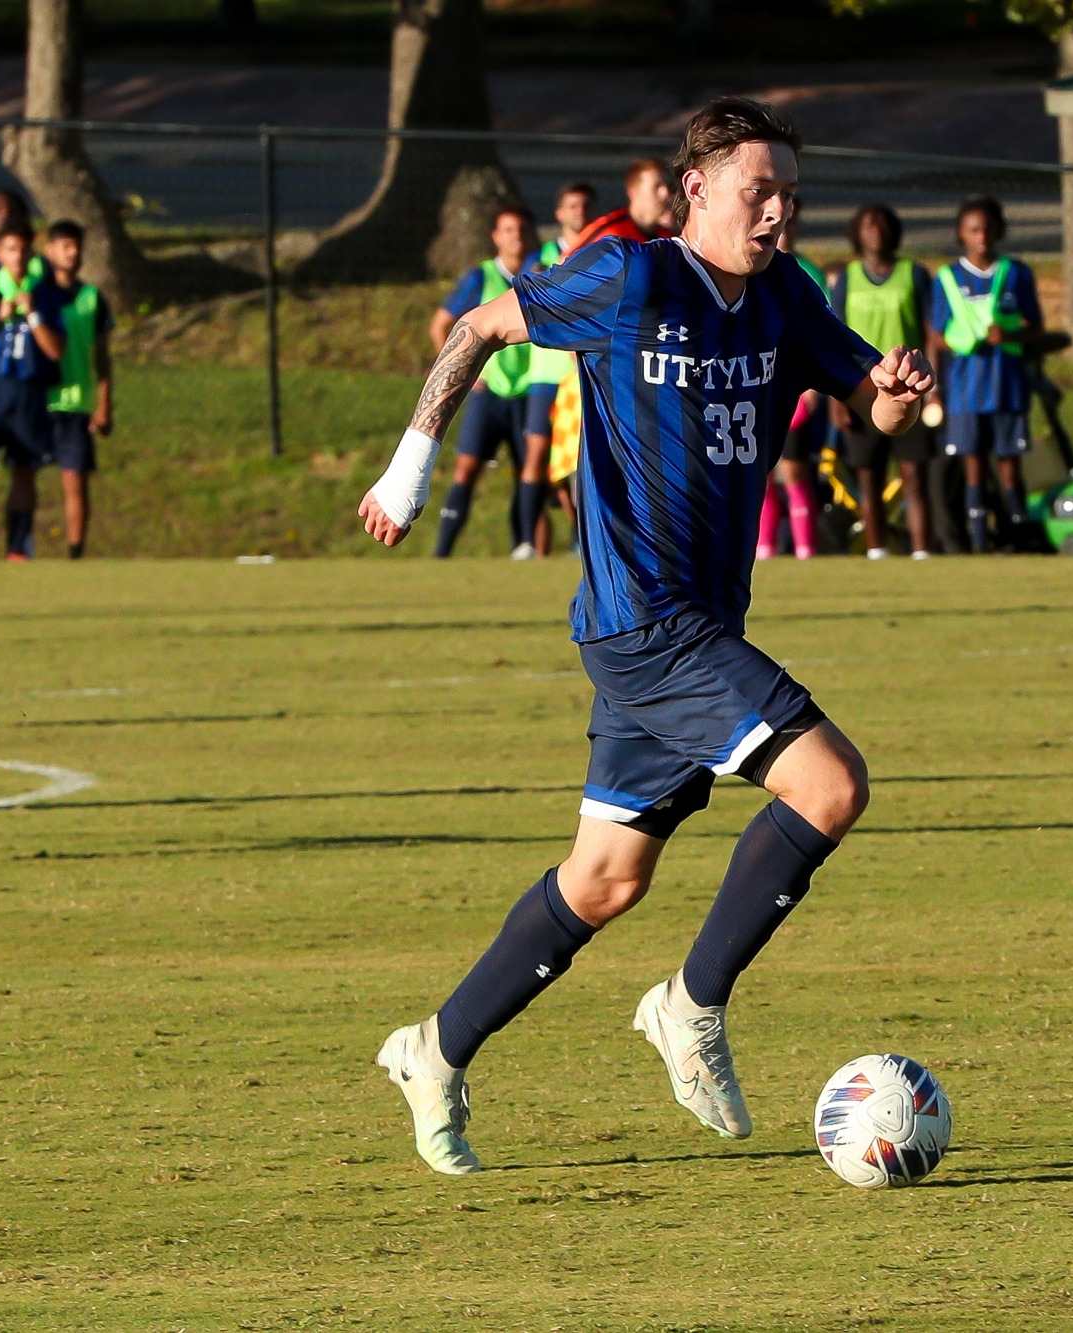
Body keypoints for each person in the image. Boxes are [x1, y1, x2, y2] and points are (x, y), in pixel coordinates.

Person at [356, 96, 933, 1175]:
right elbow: (478, 328)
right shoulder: (632, 280)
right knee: (829, 785)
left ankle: (433, 1048)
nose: (778, 212)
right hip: (644, 625)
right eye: (760, 191)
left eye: (789, 195)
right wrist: (409, 465)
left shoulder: (784, 299)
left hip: (698, 626)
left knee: (605, 878)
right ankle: (690, 1004)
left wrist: (897, 395)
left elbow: (873, 407)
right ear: (697, 189)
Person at [930, 195, 1043, 553]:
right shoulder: (948, 278)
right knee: (973, 465)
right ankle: (978, 540)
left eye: (989, 229)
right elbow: (936, 334)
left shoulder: (1016, 273)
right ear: (962, 234)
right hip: (966, 389)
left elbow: (1035, 327)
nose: (983, 236)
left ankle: (1017, 536)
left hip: (1007, 386)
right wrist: (936, 387)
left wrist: (1009, 335)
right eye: (974, 229)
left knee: (1010, 465)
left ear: (1000, 231)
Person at [427, 207, 541, 559]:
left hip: (528, 390)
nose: (516, 236)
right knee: (467, 467)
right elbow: (440, 325)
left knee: (530, 472)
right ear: (495, 236)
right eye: (508, 230)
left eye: (521, 229)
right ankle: (442, 552)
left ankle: (523, 548)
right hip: (489, 392)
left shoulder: (542, 273)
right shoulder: (481, 278)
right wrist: (462, 369)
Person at [831, 203, 935, 559]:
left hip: (908, 388)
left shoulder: (914, 274)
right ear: (856, 233)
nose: (875, 230)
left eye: (881, 224)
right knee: (868, 476)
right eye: (867, 224)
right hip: (861, 389)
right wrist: (836, 397)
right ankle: (877, 550)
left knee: (914, 476)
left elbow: (930, 333)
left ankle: (922, 551)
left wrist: (932, 389)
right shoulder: (848, 278)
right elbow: (834, 337)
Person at [0, 221, 66, 562]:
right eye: (10, 250)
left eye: (23, 250)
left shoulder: (45, 293)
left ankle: (18, 546)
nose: (17, 257)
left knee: (24, 471)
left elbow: (55, 350)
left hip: (28, 390)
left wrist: (32, 313)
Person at [515, 184, 596, 557]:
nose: (579, 212)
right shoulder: (542, 258)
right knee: (536, 455)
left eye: (585, 205)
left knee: (584, 457)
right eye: (572, 206)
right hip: (546, 373)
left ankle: (582, 540)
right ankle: (528, 541)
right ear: (559, 213)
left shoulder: (601, 252)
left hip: (581, 377)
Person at [758, 195, 829, 561]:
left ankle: (805, 550)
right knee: (760, 476)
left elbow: (823, 333)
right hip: (756, 388)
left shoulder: (808, 272)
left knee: (795, 473)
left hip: (795, 391)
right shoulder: (751, 266)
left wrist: (815, 383)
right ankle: (764, 549)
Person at [41, 219, 112, 559]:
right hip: (38, 401)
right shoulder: (37, 296)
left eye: (77, 246)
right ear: (49, 249)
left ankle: (75, 553)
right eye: (66, 245)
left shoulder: (91, 298)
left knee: (75, 482)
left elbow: (102, 357)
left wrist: (104, 403)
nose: (73, 253)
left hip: (76, 403)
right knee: (22, 477)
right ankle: (17, 549)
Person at [569, 158, 673, 251]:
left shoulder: (669, 238)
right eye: (656, 187)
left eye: (668, 186)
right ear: (633, 192)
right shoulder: (610, 235)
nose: (666, 193)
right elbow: (564, 267)